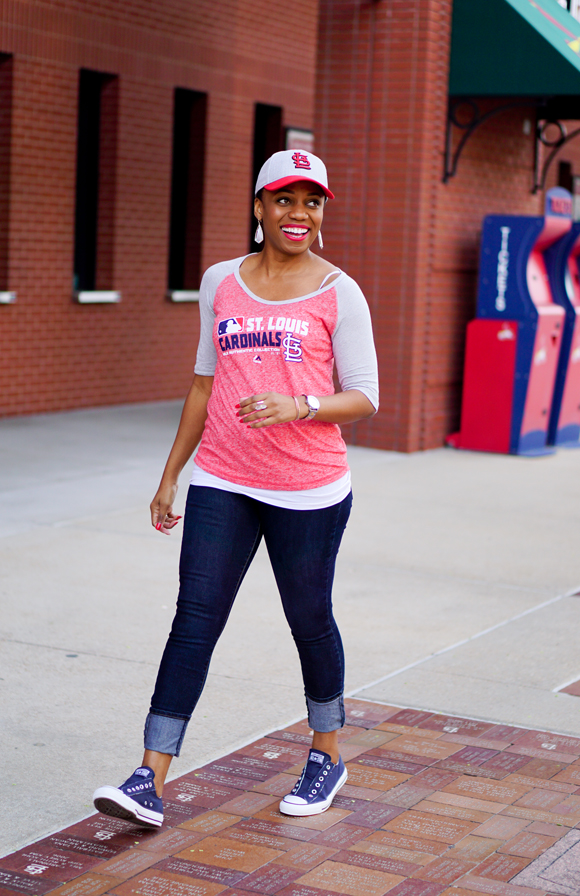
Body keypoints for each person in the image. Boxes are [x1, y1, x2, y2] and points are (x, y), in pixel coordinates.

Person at [92, 149, 379, 828]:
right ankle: (148, 777)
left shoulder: (340, 290)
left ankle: (326, 755)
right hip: (223, 477)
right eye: (284, 200)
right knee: (194, 620)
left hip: (308, 488)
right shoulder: (220, 280)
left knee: (309, 620)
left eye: (311, 202)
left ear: (321, 213)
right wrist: (171, 476)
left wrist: (300, 405)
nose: (298, 213)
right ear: (258, 208)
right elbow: (202, 382)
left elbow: (364, 396)